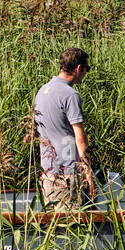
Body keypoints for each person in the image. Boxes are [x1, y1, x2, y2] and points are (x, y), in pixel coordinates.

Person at [33, 47, 95, 208]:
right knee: (74, 228)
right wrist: (88, 173)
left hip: (48, 175)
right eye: (87, 69)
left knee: (55, 229)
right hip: (68, 175)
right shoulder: (70, 95)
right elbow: (80, 139)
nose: (86, 73)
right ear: (79, 68)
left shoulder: (42, 91)